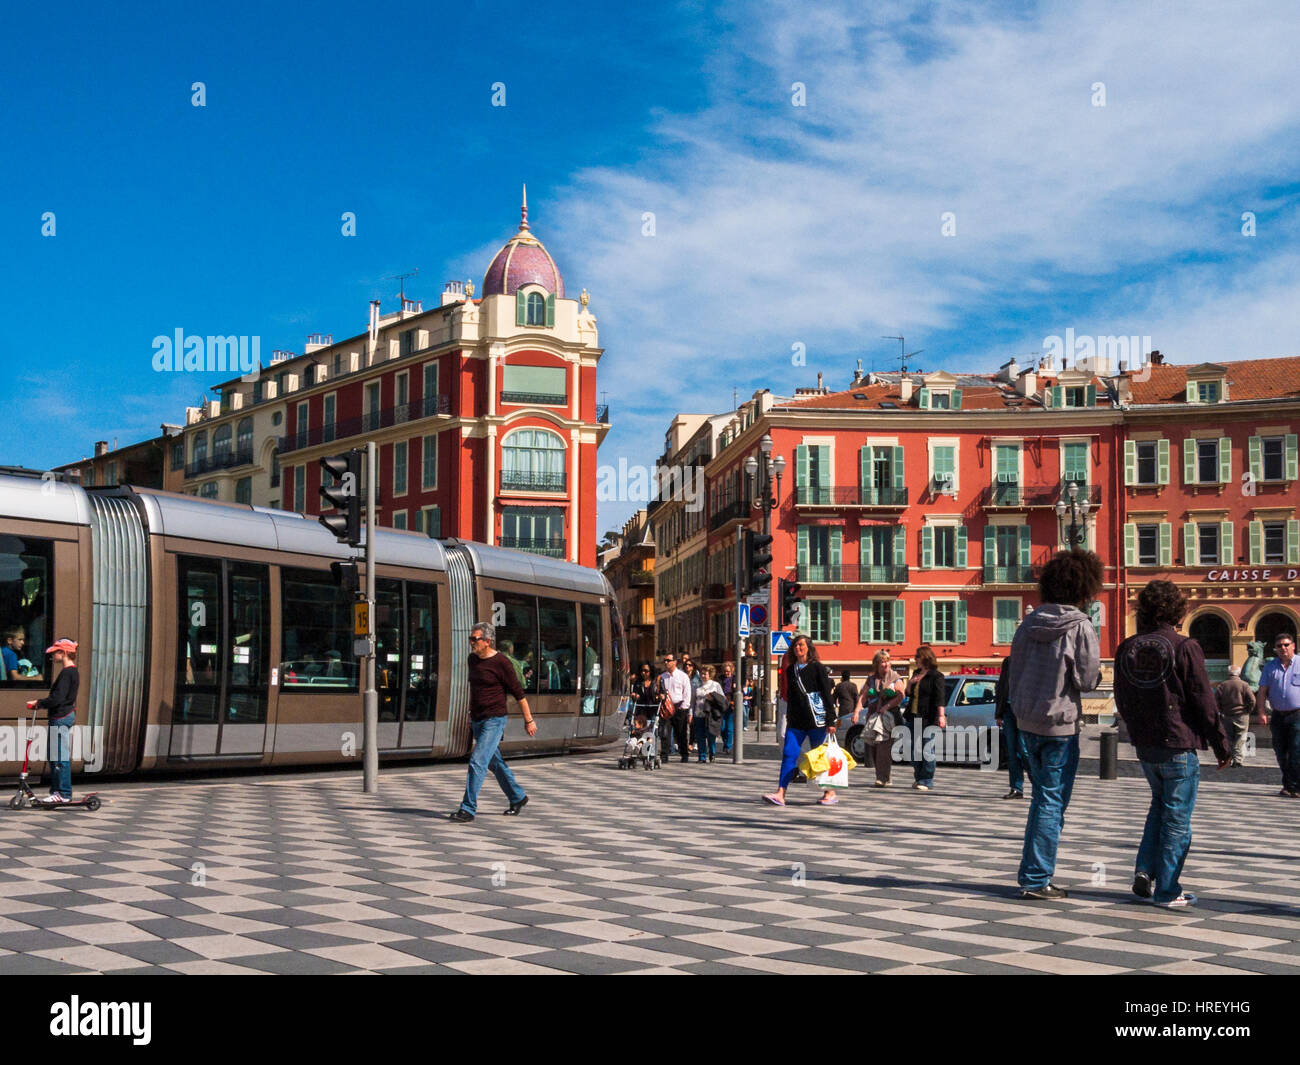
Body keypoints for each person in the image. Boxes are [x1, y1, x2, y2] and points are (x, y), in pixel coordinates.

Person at [1115, 581, 1231, 908]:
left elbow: (1121, 699)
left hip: (1145, 745)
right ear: (1177, 610)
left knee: (1159, 807)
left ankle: (1145, 869)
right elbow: (1203, 700)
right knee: (1177, 820)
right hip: (1177, 743)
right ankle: (1168, 890)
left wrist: (1136, 731)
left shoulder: (1127, 648)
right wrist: (1222, 746)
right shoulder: (1184, 646)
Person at [1008, 550, 1103, 900]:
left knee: (1041, 799)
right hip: (1060, 724)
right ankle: (1036, 878)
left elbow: (1014, 671)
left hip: (1026, 721)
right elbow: (1087, 678)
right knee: (1050, 801)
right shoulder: (1080, 626)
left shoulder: (1027, 624)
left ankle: (1032, 873)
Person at [449, 622, 537, 822]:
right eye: (470, 638)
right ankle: (518, 797)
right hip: (478, 719)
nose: (471, 642)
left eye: (475, 639)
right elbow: (475, 690)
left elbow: (518, 694)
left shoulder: (502, 663)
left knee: (477, 761)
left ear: (487, 641)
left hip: (494, 719)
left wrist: (529, 720)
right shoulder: (473, 660)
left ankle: (468, 809)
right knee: (494, 762)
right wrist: (470, 714)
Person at [763, 635, 837, 806]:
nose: (798, 648)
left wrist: (831, 720)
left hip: (816, 721)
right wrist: (789, 717)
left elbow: (827, 694)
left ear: (808, 648)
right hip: (796, 721)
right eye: (796, 645)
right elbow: (791, 696)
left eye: (801, 645)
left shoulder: (817, 668)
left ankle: (829, 792)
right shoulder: (791, 670)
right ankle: (781, 793)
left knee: (819, 757)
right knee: (789, 754)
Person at [24, 638, 79, 803]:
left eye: (55, 652)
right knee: (54, 755)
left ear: (63, 653)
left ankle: (63, 793)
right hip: (62, 716)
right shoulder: (70, 672)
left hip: (61, 717)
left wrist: (39, 703)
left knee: (59, 756)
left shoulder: (67, 673)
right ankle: (58, 791)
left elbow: (57, 698)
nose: (52, 656)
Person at [1256, 632, 1300, 797]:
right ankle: (1288, 785)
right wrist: (1261, 711)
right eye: (1279, 646)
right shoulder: (1270, 667)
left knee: (1296, 751)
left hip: (1297, 714)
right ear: (1275, 649)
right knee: (1281, 752)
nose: (1283, 648)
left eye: (1286, 645)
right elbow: (1262, 691)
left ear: (1293, 646)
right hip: (1278, 716)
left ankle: (1295, 786)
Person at [854, 651, 905, 787]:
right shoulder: (871, 679)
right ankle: (884, 775)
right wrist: (857, 712)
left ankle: (882, 777)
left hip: (889, 716)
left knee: (883, 746)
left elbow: (901, 695)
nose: (885, 664)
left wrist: (887, 706)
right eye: (882, 661)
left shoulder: (895, 677)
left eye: (887, 661)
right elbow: (863, 697)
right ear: (876, 664)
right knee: (874, 746)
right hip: (873, 715)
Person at [903, 645, 946, 790]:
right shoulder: (916, 673)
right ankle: (919, 777)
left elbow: (940, 698)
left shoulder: (936, 676)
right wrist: (910, 683)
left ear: (925, 658)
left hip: (929, 717)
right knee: (913, 749)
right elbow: (908, 693)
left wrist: (941, 716)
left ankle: (927, 779)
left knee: (927, 748)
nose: (915, 659)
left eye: (917, 656)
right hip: (913, 716)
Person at [994, 652, 1025, 799]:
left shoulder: (1033, 658)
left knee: (1025, 751)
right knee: (1012, 752)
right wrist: (999, 713)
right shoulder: (1008, 661)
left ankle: (1039, 785)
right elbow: (1002, 687)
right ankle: (1016, 788)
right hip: (1008, 710)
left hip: (1026, 712)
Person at [1215, 665, 1255, 767]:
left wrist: (1221, 711)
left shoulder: (1222, 685)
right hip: (1242, 715)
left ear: (1229, 673)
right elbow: (1252, 700)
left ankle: (1230, 757)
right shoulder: (1244, 685)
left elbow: (1216, 701)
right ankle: (1238, 759)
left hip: (1227, 715)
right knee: (1241, 737)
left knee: (1229, 737)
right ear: (1239, 673)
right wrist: (1248, 710)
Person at [658, 653, 691, 762]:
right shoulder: (662, 677)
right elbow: (658, 691)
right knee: (665, 733)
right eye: (665, 660)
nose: (666, 662)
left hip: (679, 707)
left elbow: (687, 693)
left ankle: (684, 754)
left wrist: (684, 707)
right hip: (666, 707)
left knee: (681, 733)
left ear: (675, 662)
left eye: (668, 660)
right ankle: (664, 755)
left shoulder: (682, 676)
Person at [694, 665, 725, 762]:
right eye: (702, 673)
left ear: (710, 674)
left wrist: (712, 698)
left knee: (711, 735)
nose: (702, 676)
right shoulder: (697, 686)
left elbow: (722, 699)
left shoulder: (716, 685)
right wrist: (691, 713)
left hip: (711, 715)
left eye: (705, 674)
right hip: (698, 714)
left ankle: (712, 753)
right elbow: (693, 700)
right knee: (700, 736)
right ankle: (702, 756)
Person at [630, 661, 659, 727]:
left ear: (651, 671)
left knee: (652, 730)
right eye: (642, 670)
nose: (643, 673)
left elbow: (663, 694)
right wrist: (635, 696)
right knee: (640, 730)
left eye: (646, 671)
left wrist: (660, 696)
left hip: (653, 710)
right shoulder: (638, 682)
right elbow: (634, 695)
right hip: (641, 711)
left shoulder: (656, 681)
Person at [719, 661, 737, 753]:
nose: (726, 673)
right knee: (722, 728)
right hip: (721, 705)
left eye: (728, 671)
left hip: (731, 705)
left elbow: (738, 691)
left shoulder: (735, 679)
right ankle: (725, 742)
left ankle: (728, 747)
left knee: (729, 728)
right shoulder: (720, 679)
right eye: (725, 671)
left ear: (732, 670)